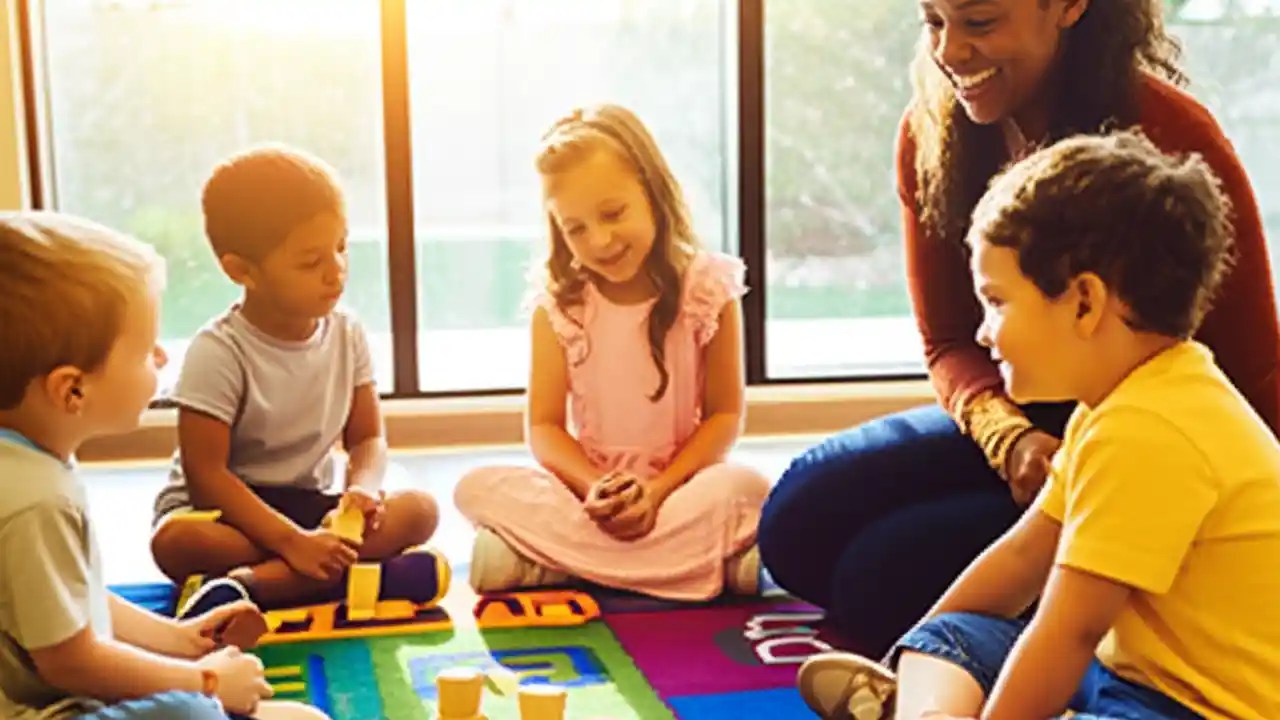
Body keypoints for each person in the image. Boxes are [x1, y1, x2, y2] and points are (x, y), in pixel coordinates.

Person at [758, 0, 1280, 657]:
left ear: (1067, 7)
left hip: (1138, 439)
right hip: (1021, 409)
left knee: (876, 579)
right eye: (933, 22)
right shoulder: (932, 133)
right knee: (795, 521)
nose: (949, 53)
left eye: (979, 24)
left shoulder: (1170, 136)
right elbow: (950, 340)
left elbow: (1257, 372)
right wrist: (1010, 438)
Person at [796, 130, 1280, 720]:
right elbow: (1023, 558)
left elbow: (1068, 630)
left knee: (1037, 659)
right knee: (952, 637)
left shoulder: (1151, 429)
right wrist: (912, 646)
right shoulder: (1117, 406)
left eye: (997, 302)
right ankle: (920, 707)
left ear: (1084, 302)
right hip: (1127, 674)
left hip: (1200, 709)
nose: (981, 331)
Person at [0, 211, 327, 719]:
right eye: (143, 350)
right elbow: (72, 663)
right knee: (190, 713)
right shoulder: (38, 499)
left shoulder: (27, 461)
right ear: (72, 389)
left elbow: (71, 601)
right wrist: (208, 682)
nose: (161, 358)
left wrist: (178, 639)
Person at [453, 104, 769, 600]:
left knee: (746, 488)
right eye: (575, 228)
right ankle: (696, 566)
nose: (599, 240)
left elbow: (724, 415)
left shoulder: (709, 288)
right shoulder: (559, 306)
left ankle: (554, 566)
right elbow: (545, 428)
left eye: (613, 213)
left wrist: (657, 491)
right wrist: (594, 489)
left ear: (653, 191)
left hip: (679, 491)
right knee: (474, 485)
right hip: (589, 498)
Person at [149, 145, 440, 613]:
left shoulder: (347, 332)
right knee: (176, 542)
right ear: (242, 271)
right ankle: (350, 575)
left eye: (341, 247)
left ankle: (255, 586)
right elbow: (207, 477)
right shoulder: (218, 350)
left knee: (420, 509)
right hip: (232, 512)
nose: (336, 271)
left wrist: (362, 488)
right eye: (310, 262)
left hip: (310, 502)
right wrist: (291, 541)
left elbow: (367, 437)